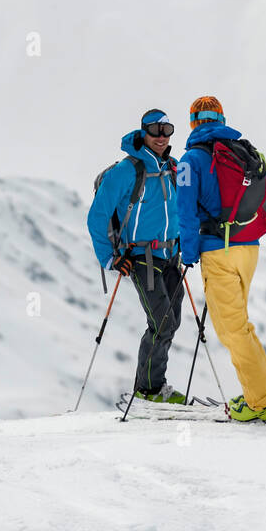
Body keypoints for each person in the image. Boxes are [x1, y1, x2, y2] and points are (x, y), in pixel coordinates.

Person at [177, 95, 266, 423]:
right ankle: (262, 395)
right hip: (249, 248)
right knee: (240, 325)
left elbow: (185, 213)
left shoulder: (190, 161)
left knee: (232, 330)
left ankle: (261, 402)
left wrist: (188, 254)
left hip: (216, 250)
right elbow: (265, 202)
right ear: (221, 119)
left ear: (194, 122)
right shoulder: (250, 154)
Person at [87, 108, 186, 403]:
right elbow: (98, 215)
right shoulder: (127, 170)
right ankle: (147, 391)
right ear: (143, 132)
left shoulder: (173, 166)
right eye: (155, 130)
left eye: (166, 129)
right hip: (141, 257)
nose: (161, 136)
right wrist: (110, 258)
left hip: (172, 255)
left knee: (172, 321)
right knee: (162, 322)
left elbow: (182, 209)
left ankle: (155, 386)